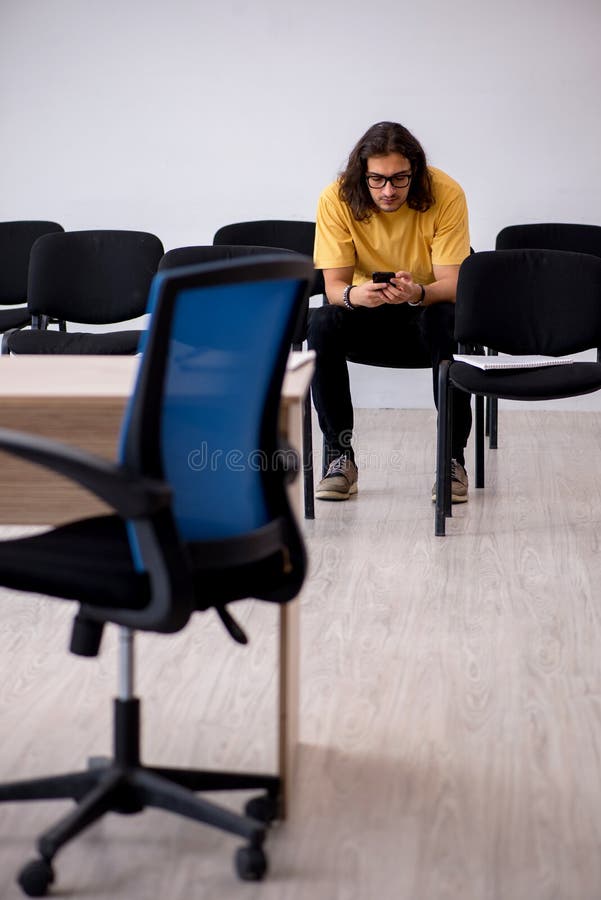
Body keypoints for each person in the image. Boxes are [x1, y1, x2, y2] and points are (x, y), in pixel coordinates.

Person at [308, 120, 472, 503]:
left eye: (400, 179)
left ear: (415, 171)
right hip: (366, 310)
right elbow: (333, 289)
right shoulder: (336, 198)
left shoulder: (446, 193)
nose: (388, 190)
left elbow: (454, 283)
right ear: (361, 175)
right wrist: (355, 297)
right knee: (322, 320)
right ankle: (339, 456)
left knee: (446, 317)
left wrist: (416, 292)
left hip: (426, 310)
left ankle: (452, 459)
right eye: (377, 180)